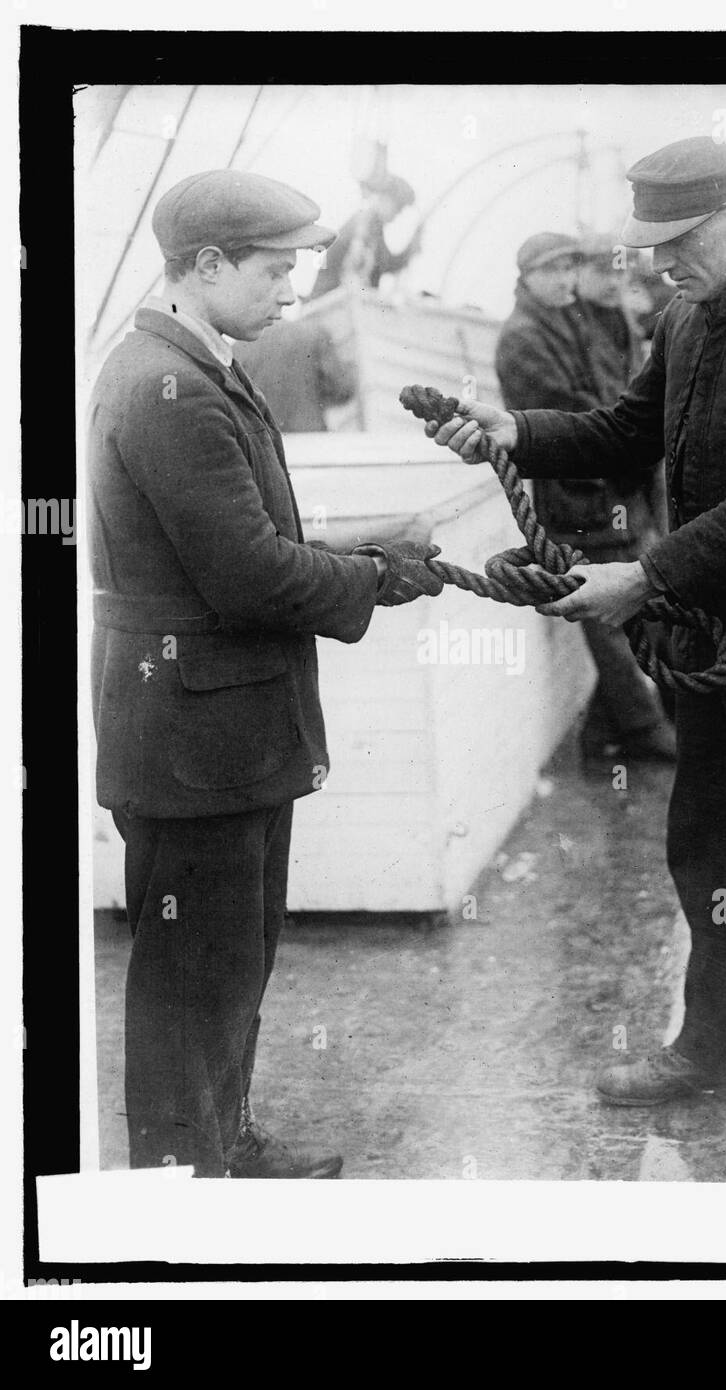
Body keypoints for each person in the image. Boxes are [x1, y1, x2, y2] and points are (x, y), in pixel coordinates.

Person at [424, 137, 726, 1177]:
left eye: (681, 242)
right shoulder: (688, 316)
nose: (660, 264)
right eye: (651, 246)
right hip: (709, 654)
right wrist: (512, 431)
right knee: (711, 856)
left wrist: (648, 575)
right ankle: (713, 1049)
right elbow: (627, 431)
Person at [88, 169, 443, 1179]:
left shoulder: (196, 367)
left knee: (229, 954)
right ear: (204, 266)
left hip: (217, 728)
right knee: (191, 971)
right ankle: (179, 1185)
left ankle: (220, 1144)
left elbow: (250, 540)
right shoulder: (169, 390)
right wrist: (375, 575)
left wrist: (369, 546)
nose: (293, 293)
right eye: (276, 270)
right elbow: (247, 576)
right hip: (198, 737)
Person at [495, 232, 674, 766]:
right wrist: (626, 443)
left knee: (634, 610)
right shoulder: (523, 336)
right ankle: (640, 728)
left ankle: (604, 735)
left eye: (569, 268)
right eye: (551, 271)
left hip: (614, 490)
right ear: (525, 277)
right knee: (609, 618)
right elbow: (562, 418)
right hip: (575, 500)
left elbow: (611, 398)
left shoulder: (578, 319)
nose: (564, 280)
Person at [232, 312, 357, 432]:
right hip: (311, 441)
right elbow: (342, 390)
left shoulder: (239, 347)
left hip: (266, 446)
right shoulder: (314, 334)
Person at [308, 171, 421, 299]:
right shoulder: (362, 227)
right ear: (384, 197)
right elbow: (356, 273)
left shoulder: (374, 229)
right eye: (398, 207)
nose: (397, 214)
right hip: (330, 305)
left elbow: (385, 264)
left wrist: (411, 249)